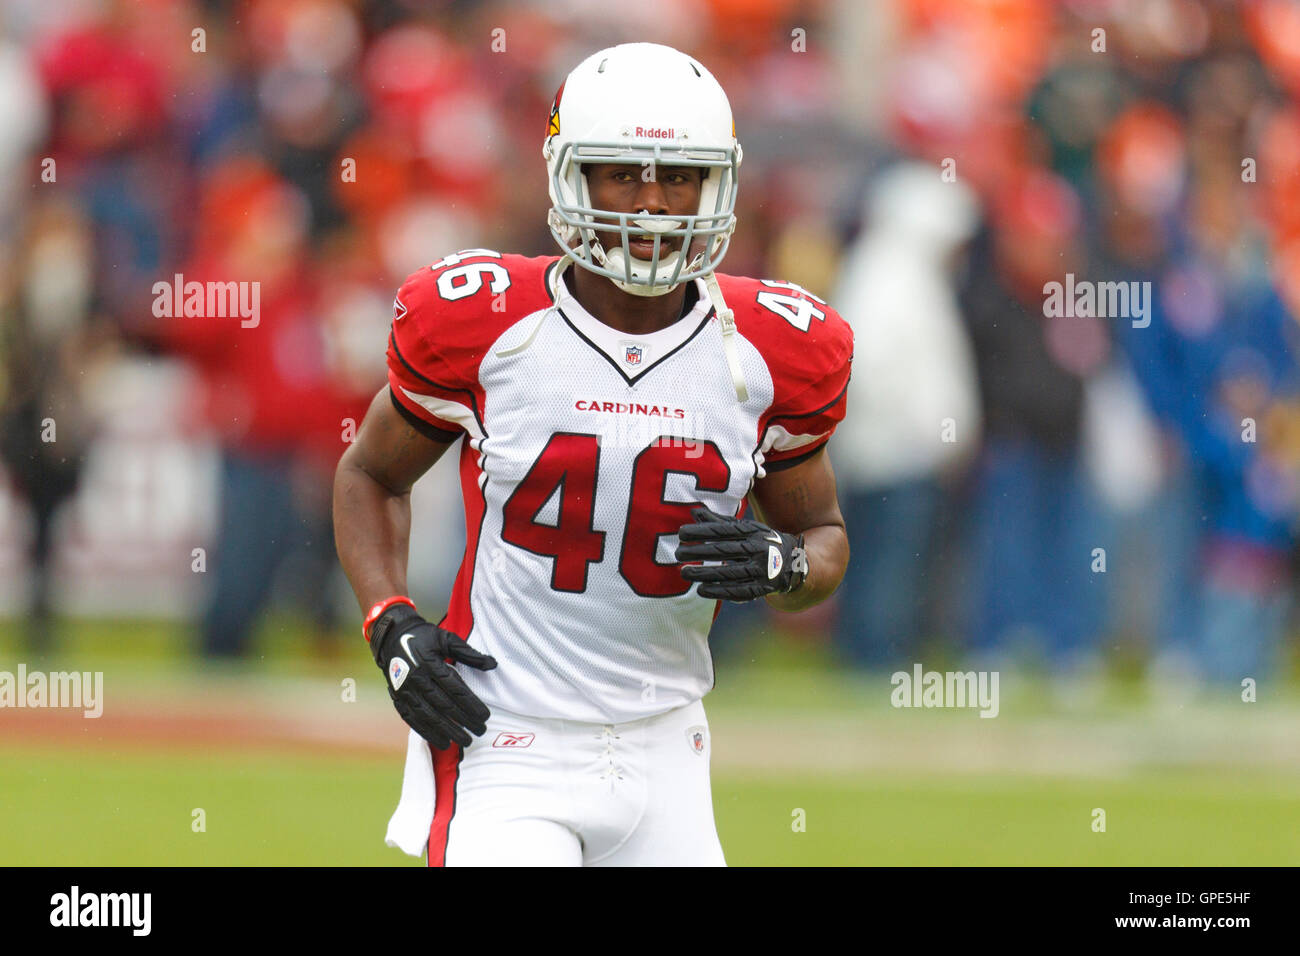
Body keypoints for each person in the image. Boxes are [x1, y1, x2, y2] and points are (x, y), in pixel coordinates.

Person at [333, 42, 853, 867]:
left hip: (669, 745)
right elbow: (369, 472)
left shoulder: (767, 350)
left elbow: (824, 535)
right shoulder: (488, 324)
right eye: (622, 173)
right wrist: (388, 619)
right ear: (570, 177)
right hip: (505, 738)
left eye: (677, 177)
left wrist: (784, 564)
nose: (651, 206)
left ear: (716, 184)